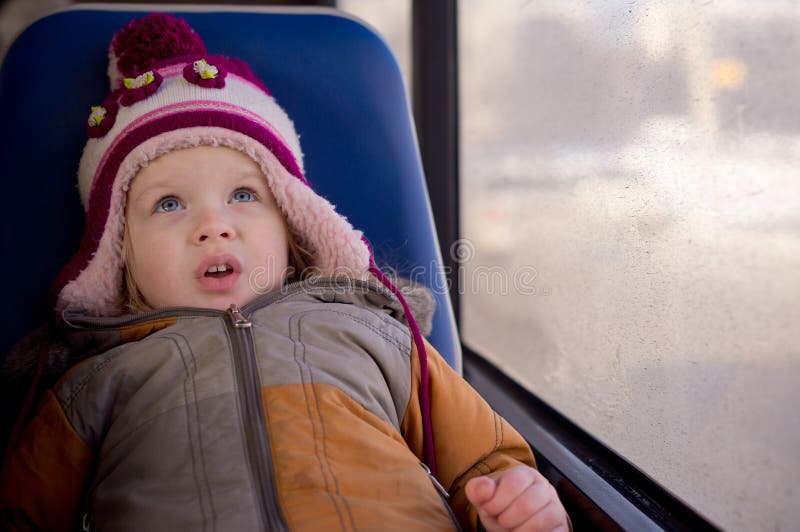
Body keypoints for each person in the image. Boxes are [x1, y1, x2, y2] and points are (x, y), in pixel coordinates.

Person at [0, 14, 569, 531]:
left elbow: (487, 458)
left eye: (244, 194)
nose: (213, 225)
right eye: (169, 204)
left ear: (295, 226)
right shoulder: (94, 382)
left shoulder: (380, 337)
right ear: (118, 253)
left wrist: (514, 502)